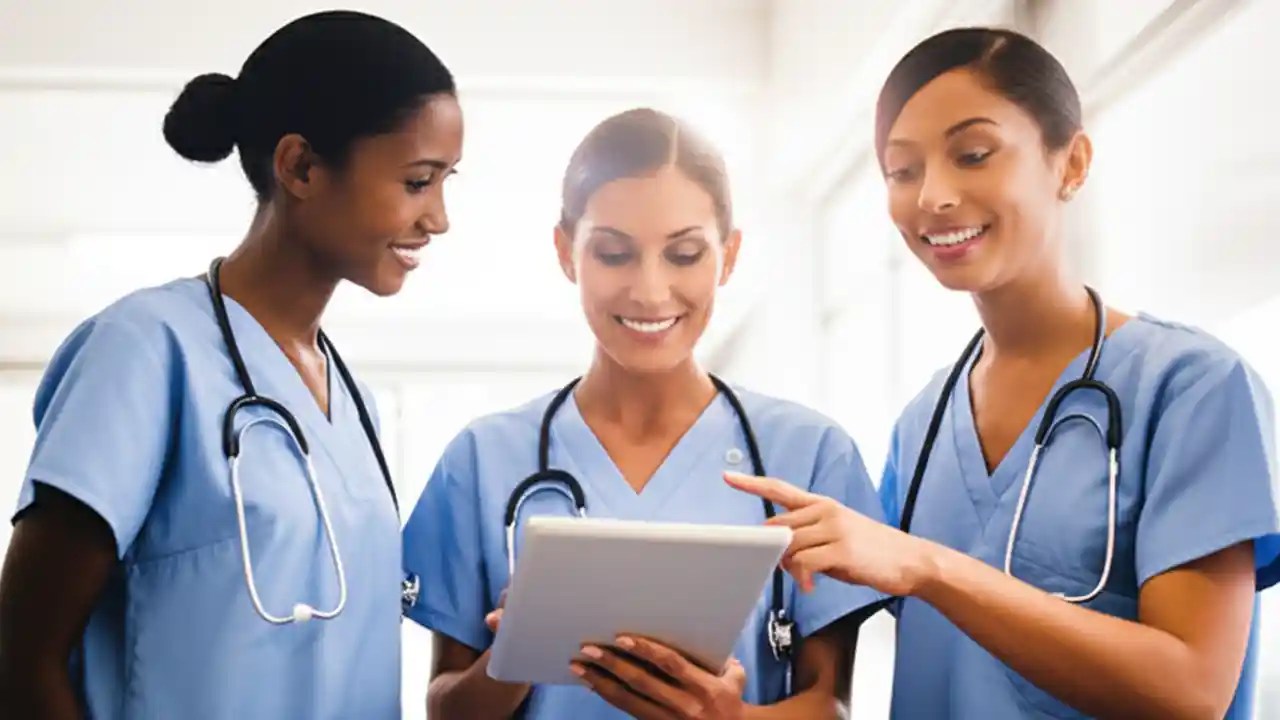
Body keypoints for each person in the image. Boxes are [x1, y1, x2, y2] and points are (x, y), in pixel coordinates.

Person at [726, 26, 1280, 719]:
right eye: (903, 171)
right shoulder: (924, 425)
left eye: (974, 154)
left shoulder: (1192, 388)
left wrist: (929, 566)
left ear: (1071, 162)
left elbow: (1190, 690)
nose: (934, 195)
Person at [0, 10, 462, 719]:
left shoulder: (354, 401)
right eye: (417, 182)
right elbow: (21, 658)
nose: (438, 218)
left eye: (444, 183)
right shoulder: (146, 349)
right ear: (301, 166)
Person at [401, 107, 885, 719]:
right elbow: (444, 710)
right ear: (565, 252)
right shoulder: (483, 459)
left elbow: (831, 706)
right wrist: (517, 653)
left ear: (729, 256)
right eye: (613, 253)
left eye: (684, 254)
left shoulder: (809, 454)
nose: (650, 291)